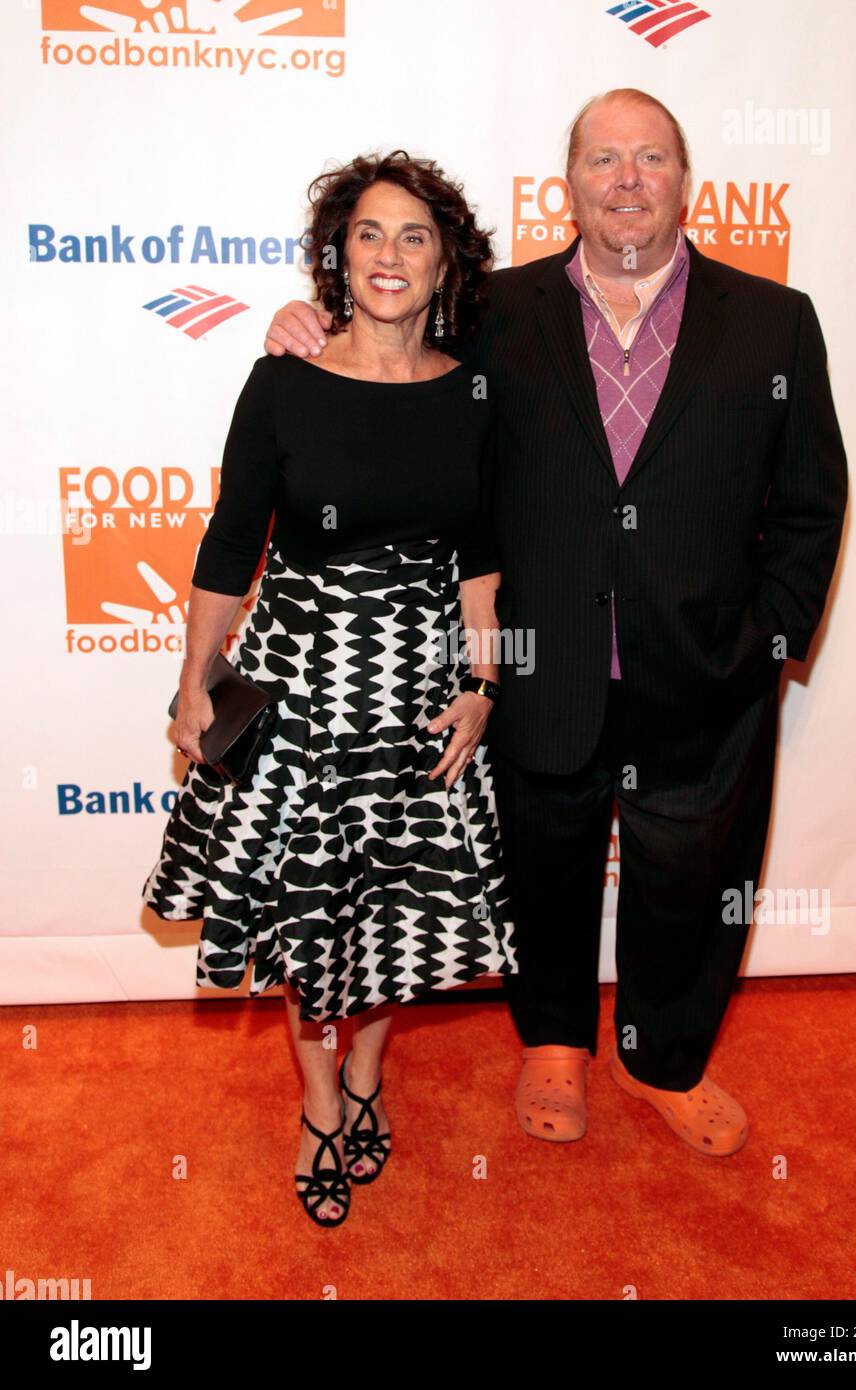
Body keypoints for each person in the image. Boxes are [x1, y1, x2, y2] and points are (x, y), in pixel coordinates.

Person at [264, 89, 848, 1158]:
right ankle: (552, 1041)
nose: (626, 179)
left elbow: (810, 503)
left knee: (691, 877)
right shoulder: (494, 314)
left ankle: (666, 1055)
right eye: (602, 159)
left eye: (651, 159)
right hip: (540, 664)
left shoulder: (775, 321)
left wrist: (764, 642)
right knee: (546, 866)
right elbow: (391, 366)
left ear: (685, 178)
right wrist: (305, 325)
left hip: (702, 671)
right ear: (568, 181)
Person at [143, 150, 517, 1227]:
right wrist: (194, 684)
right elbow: (230, 545)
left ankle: (367, 1077)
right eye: (367, 233)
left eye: (413, 235)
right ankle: (318, 1105)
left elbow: (484, 558)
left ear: (445, 261)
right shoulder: (284, 378)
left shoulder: (472, 392)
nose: (389, 254)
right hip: (303, 687)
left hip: (419, 689)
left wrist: (485, 681)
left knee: (391, 916)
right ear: (337, 256)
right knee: (311, 917)